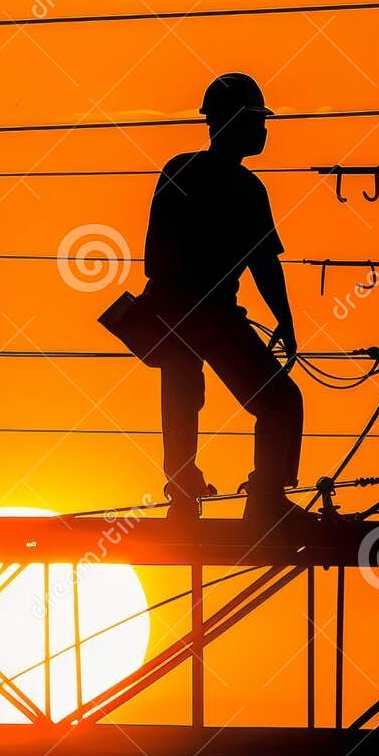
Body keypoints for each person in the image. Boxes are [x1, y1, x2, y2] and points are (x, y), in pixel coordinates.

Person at [142, 73, 311, 528]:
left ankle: (182, 493)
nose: (263, 130)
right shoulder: (246, 189)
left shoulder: (179, 171)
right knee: (278, 401)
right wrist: (285, 321)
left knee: (182, 398)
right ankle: (266, 500)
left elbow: (154, 256)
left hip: (178, 312)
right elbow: (264, 264)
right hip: (210, 316)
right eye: (257, 120)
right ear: (234, 123)